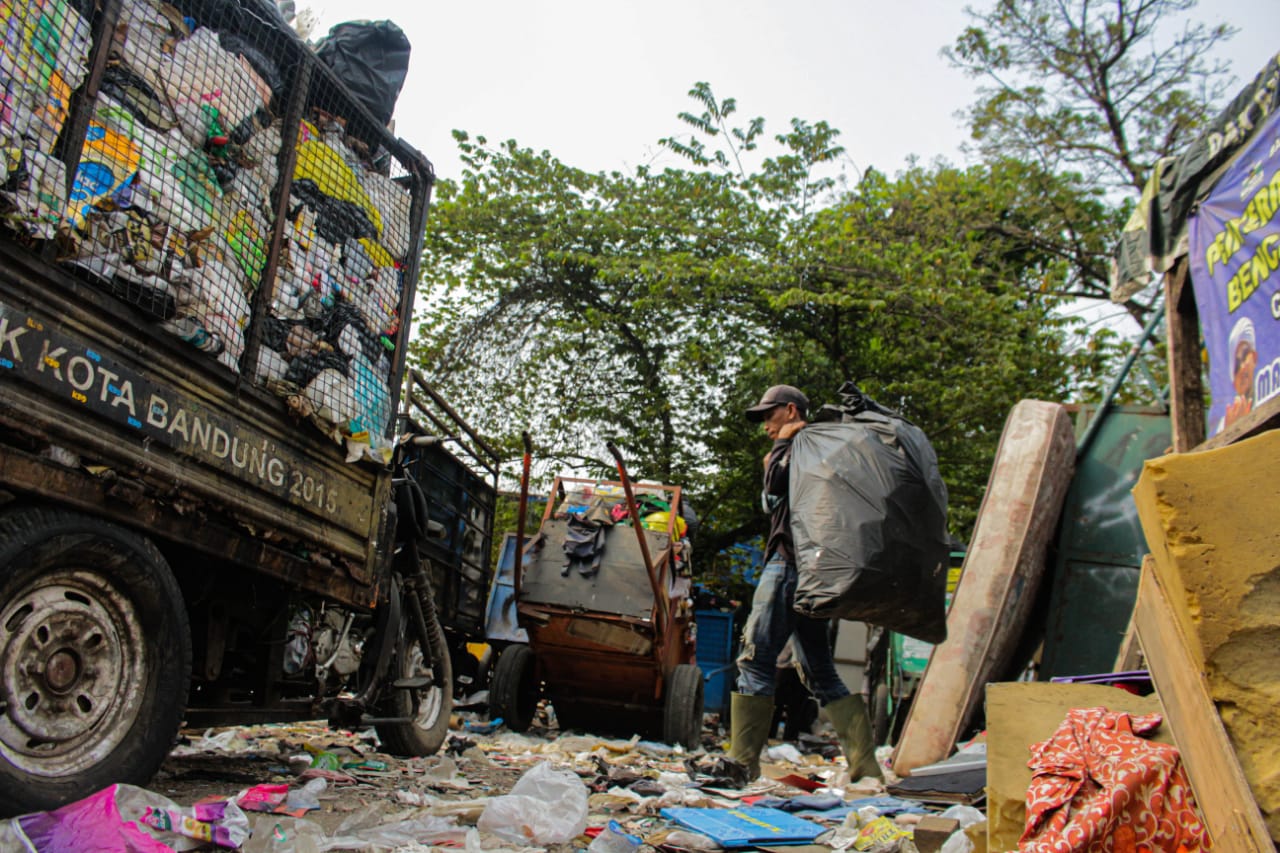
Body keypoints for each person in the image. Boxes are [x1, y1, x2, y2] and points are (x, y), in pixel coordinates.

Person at [729, 384, 882, 781]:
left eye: (769, 415)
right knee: (821, 671)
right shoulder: (820, 446)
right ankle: (866, 770)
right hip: (815, 572)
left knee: (755, 660)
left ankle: (741, 766)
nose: (765, 425)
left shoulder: (803, 444)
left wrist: (779, 448)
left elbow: (776, 487)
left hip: (790, 564)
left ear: (791, 410)